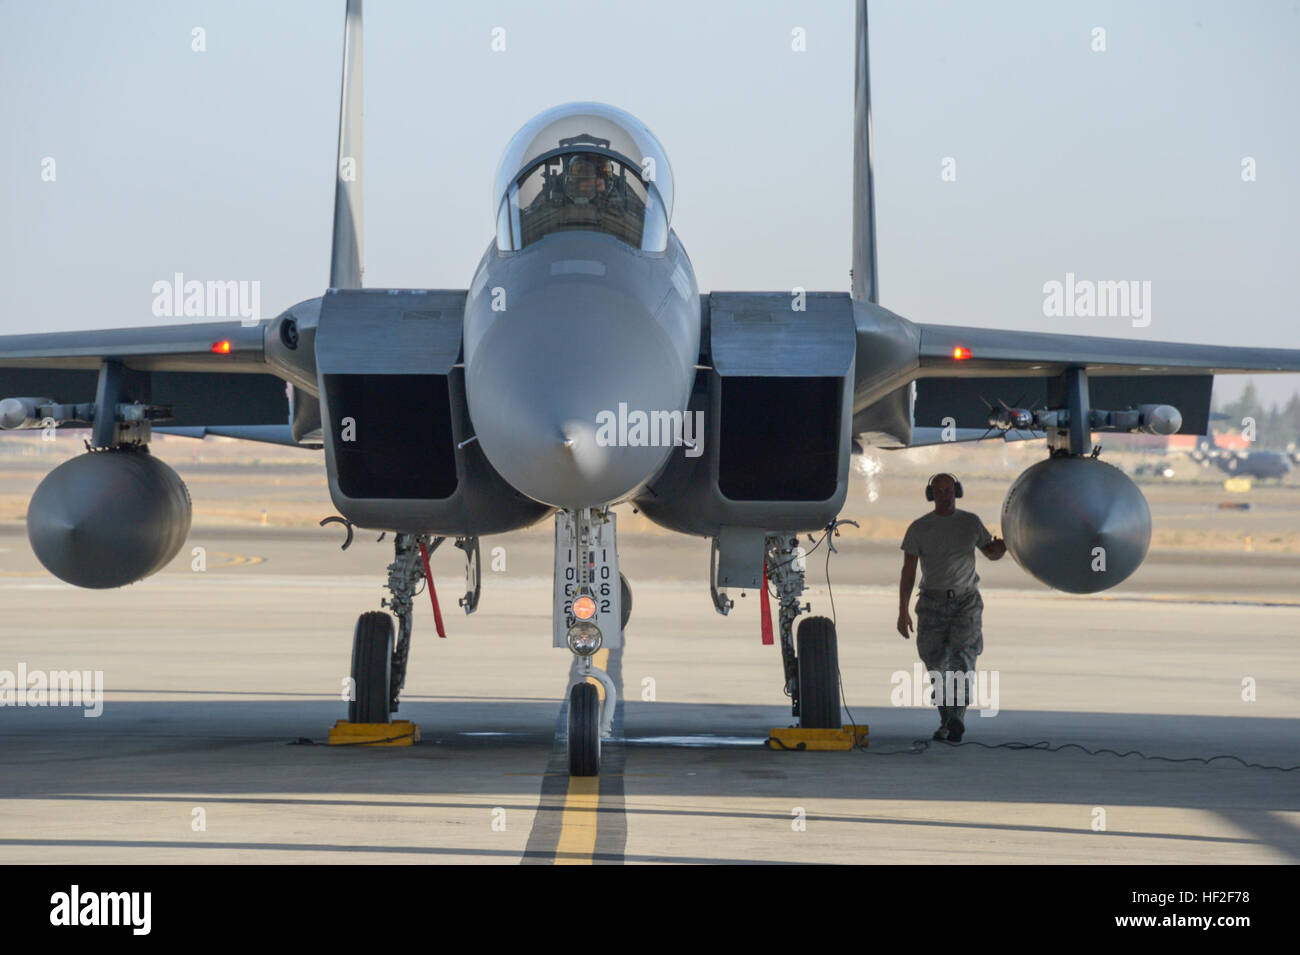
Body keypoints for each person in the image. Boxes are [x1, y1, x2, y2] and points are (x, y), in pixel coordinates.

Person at [896, 473, 1006, 742]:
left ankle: (956, 716)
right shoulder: (919, 528)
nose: (944, 496)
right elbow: (908, 573)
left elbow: (990, 552)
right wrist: (903, 611)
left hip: (965, 602)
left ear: (957, 491)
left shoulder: (970, 523)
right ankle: (947, 718)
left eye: (948, 490)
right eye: (939, 491)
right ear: (930, 494)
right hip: (932, 603)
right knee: (934, 660)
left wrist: (1004, 546)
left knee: (962, 658)